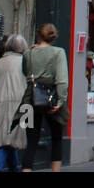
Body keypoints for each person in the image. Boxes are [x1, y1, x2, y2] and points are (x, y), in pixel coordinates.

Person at [22, 23, 69, 173]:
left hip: (31, 98)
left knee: (31, 141)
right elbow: (62, 80)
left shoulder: (28, 53)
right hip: (51, 98)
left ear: (39, 35)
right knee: (56, 139)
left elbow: (25, 72)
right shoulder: (59, 52)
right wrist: (61, 101)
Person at [0, 34, 29, 172]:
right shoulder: (23, 61)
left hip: (0, 103)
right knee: (10, 140)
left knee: (8, 139)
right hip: (18, 103)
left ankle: (13, 168)